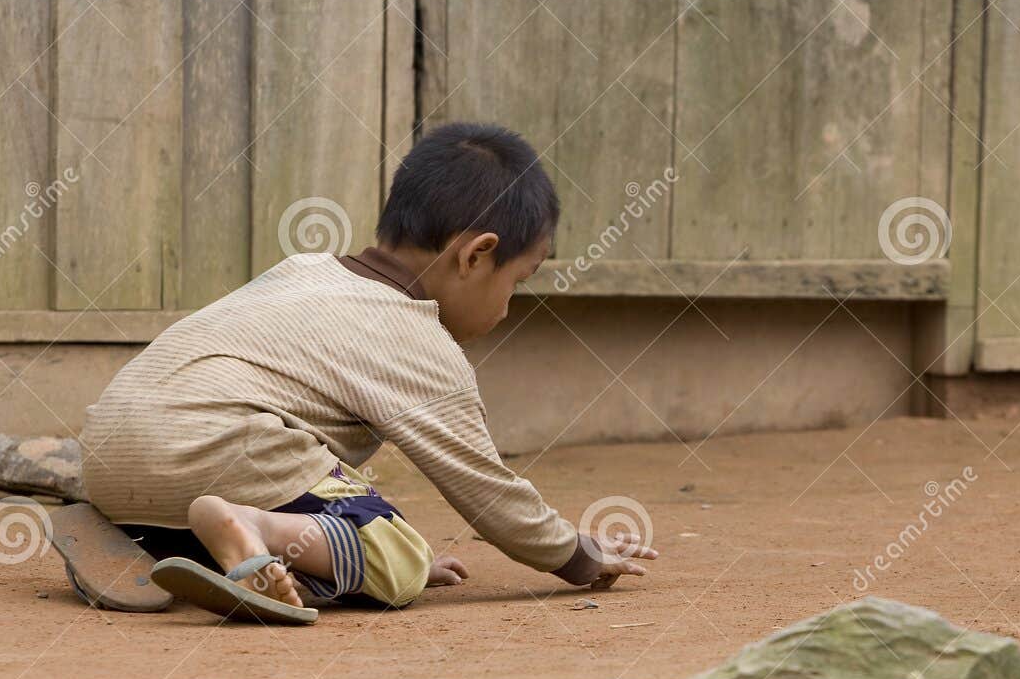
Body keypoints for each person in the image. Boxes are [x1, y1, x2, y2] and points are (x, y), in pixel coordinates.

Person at [80, 123, 656, 615]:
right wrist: (574, 554)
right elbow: (486, 490)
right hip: (220, 446)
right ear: (476, 254)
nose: (507, 308)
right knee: (401, 557)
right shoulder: (417, 340)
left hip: (107, 455)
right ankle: (263, 529)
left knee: (285, 515)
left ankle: (152, 538)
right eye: (517, 282)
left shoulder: (303, 269)